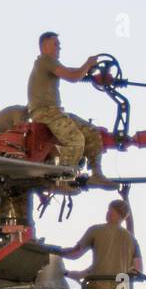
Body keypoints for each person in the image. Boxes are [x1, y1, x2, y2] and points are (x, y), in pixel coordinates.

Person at [27, 31, 111, 184]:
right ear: (44, 46)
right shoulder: (45, 60)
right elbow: (72, 77)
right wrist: (88, 64)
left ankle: (96, 174)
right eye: (56, 44)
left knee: (91, 131)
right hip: (45, 112)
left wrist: (89, 71)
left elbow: (72, 71)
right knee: (75, 140)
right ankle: (62, 180)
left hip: (53, 112)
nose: (59, 48)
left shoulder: (49, 64)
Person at [55, 198, 142, 289]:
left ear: (113, 212)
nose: (107, 213)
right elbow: (138, 269)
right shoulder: (131, 239)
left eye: (109, 210)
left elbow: (75, 254)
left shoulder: (96, 230)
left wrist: (57, 253)